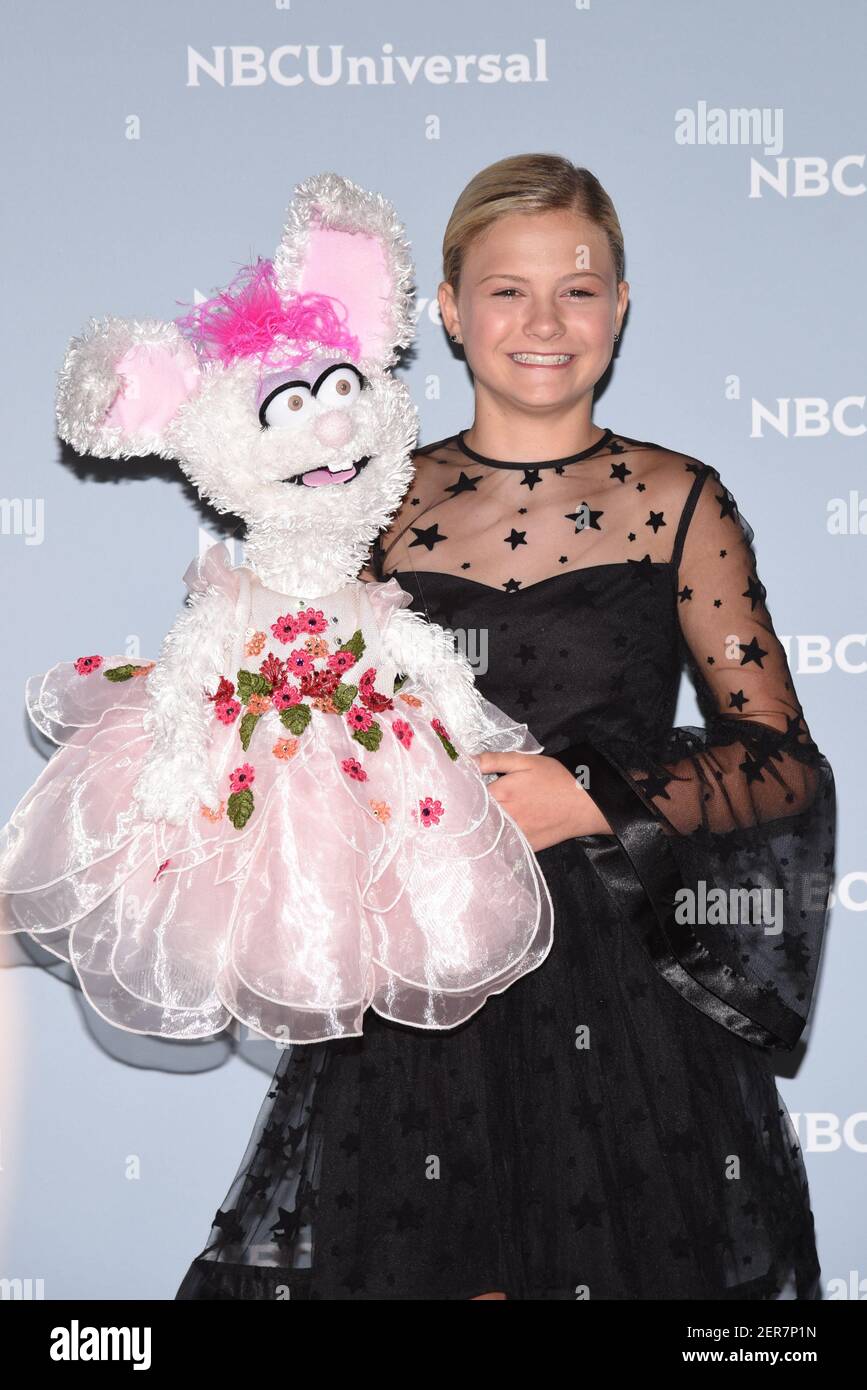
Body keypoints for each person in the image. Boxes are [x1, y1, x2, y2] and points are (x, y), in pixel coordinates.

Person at [175, 153, 836, 1301]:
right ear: (447, 310)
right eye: (505, 288)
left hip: (627, 1003)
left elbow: (780, 762)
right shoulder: (365, 506)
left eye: (577, 289)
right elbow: (279, 738)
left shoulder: (681, 500)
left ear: (619, 309)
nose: (543, 320)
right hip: (423, 994)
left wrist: (591, 792)